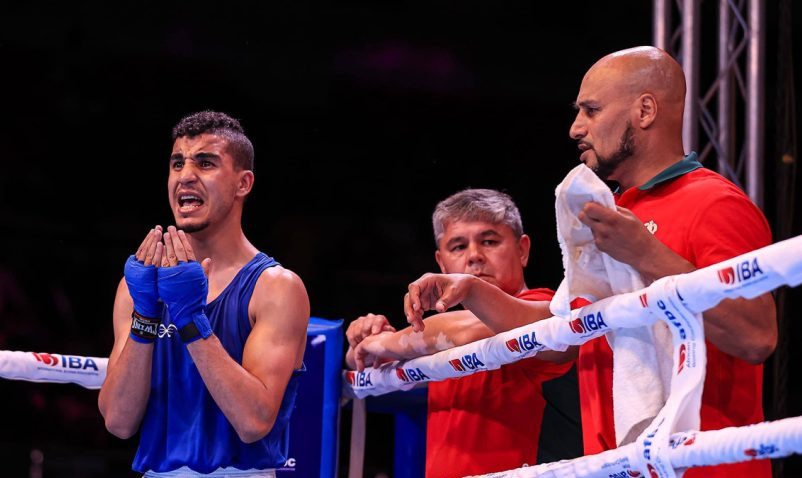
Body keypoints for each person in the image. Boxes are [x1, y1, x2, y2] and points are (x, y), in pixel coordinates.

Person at [404, 47, 776, 478]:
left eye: (591, 110)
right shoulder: (611, 211)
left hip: (701, 466)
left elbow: (756, 336)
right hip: (615, 465)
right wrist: (471, 290)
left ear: (646, 110)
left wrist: (645, 253)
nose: (576, 128)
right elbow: (562, 333)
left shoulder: (715, 204)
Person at [98, 111, 310, 477]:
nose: (185, 175)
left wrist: (190, 319)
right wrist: (146, 319)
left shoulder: (275, 287)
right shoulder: (138, 288)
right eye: (177, 163)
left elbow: (253, 421)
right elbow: (118, 420)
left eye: (205, 162)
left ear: (243, 183)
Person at [348, 189, 584, 478]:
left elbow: (465, 332)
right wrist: (363, 337)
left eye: (489, 241)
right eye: (458, 246)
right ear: (441, 263)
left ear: (522, 250)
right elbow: (366, 360)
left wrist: (385, 341)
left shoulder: (542, 307)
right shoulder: (429, 337)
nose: (474, 256)